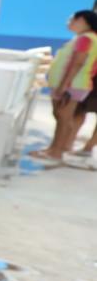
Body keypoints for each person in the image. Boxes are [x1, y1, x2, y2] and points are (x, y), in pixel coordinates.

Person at [30, 9, 97, 166]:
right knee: (62, 117)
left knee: (63, 118)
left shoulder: (86, 39)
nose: (70, 23)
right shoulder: (87, 38)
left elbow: (77, 63)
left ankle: (56, 152)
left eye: (73, 19)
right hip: (76, 84)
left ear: (83, 21)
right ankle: (53, 149)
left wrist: (63, 85)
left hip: (73, 85)